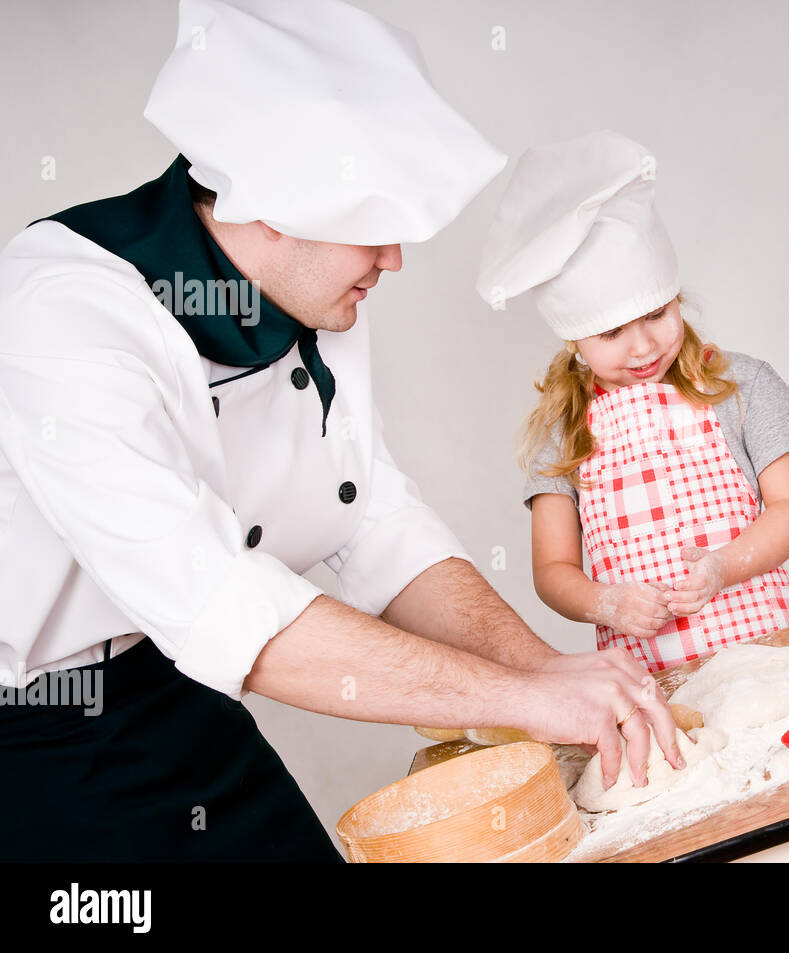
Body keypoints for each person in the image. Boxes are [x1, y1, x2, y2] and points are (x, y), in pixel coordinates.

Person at [0, 0, 680, 864]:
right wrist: (519, 698)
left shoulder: (311, 295)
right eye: (373, 229)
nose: (394, 260)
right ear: (273, 211)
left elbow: (373, 522)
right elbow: (220, 601)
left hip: (166, 682)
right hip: (28, 733)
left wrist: (542, 670)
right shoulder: (63, 317)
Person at [476, 131, 789, 674]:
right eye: (611, 334)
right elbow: (554, 569)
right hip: (652, 679)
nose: (643, 347)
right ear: (575, 339)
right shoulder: (564, 430)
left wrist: (721, 569)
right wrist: (606, 603)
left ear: (676, 298)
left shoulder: (742, 384)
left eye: (657, 315)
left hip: (772, 646)